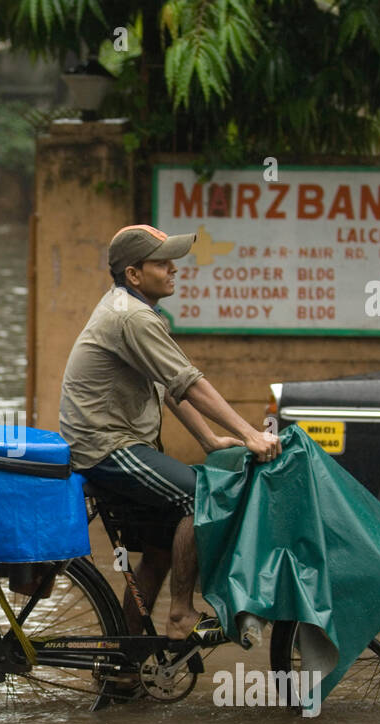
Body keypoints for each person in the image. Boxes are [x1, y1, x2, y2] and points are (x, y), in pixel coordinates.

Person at [59, 224, 280, 641]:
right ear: (134, 274)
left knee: (161, 549)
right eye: (162, 263)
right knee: (203, 496)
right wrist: (252, 434)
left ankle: (124, 667)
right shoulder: (133, 317)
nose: (173, 269)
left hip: (115, 443)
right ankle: (180, 615)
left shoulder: (136, 310)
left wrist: (209, 441)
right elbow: (190, 383)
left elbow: (170, 388)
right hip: (107, 447)